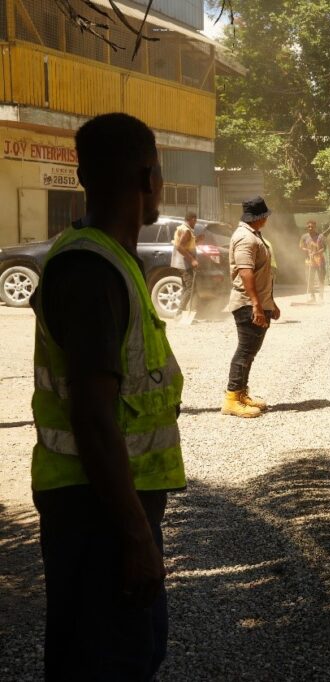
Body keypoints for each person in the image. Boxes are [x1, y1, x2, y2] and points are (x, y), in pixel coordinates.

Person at [29, 113, 186, 679]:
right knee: (106, 662)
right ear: (148, 179)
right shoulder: (91, 272)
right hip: (95, 510)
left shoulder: (108, 261)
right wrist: (136, 536)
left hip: (106, 503)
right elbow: (94, 418)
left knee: (130, 653)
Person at [223, 196, 280, 418]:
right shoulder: (245, 238)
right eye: (265, 215)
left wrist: (270, 303)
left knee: (250, 351)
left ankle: (240, 394)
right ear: (259, 217)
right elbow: (245, 272)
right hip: (247, 303)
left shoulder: (254, 235)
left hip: (257, 302)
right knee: (245, 351)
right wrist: (257, 305)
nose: (267, 218)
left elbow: (262, 273)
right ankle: (231, 399)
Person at [170, 211, 199, 315]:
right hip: (184, 264)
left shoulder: (184, 228)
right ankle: (180, 312)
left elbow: (186, 244)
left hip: (183, 263)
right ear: (191, 219)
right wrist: (192, 259)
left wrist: (198, 240)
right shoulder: (186, 230)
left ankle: (181, 312)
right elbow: (180, 247)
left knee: (186, 287)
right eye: (195, 219)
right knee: (191, 288)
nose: (196, 221)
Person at [300, 220, 326, 302]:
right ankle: (312, 297)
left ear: (315, 227)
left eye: (312, 226)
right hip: (309, 261)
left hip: (319, 261)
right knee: (309, 279)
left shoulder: (320, 236)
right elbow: (301, 246)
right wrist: (307, 250)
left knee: (321, 278)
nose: (310, 228)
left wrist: (316, 253)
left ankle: (321, 296)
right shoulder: (304, 237)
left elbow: (324, 248)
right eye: (309, 226)